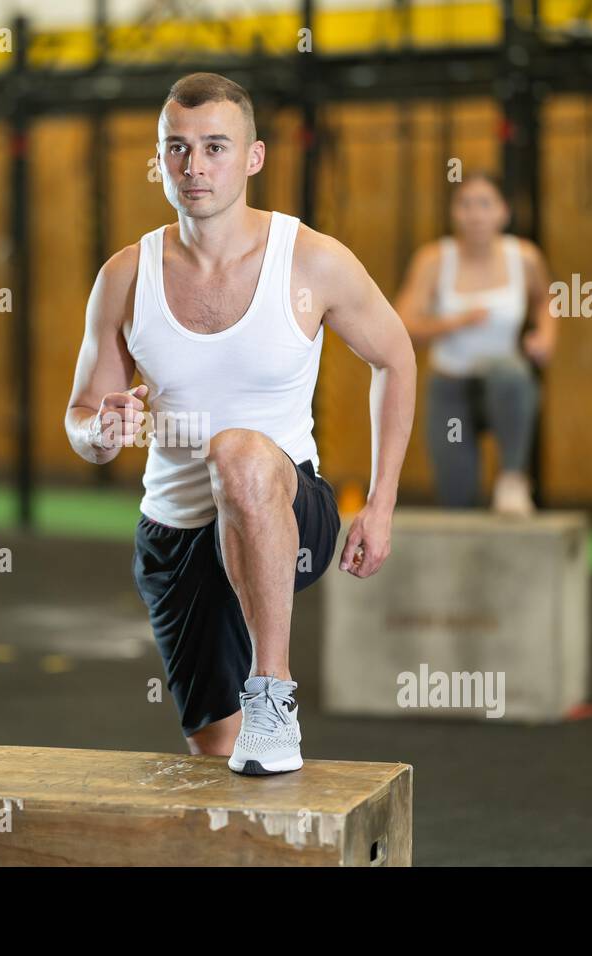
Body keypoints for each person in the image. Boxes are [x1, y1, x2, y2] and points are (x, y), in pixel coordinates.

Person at [64, 73, 417, 775]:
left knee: (239, 453)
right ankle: (246, 729)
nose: (195, 168)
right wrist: (101, 432)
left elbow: (396, 358)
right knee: (217, 759)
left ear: (253, 157)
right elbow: (82, 420)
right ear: (160, 158)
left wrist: (380, 504)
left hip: (287, 509)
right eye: (178, 149)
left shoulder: (312, 260)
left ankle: (272, 693)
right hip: (176, 537)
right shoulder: (127, 276)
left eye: (215, 147)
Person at [393, 171, 557, 514]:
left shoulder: (524, 258)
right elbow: (401, 325)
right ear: (454, 213)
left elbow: (546, 301)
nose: (475, 214)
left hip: (502, 383)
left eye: (485, 204)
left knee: (511, 375)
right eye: (465, 204)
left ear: (503, 212)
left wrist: (545, 335)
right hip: (451, 385)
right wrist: (456, 321)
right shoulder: (434, 260)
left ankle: (512, 477)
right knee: (456, 496)